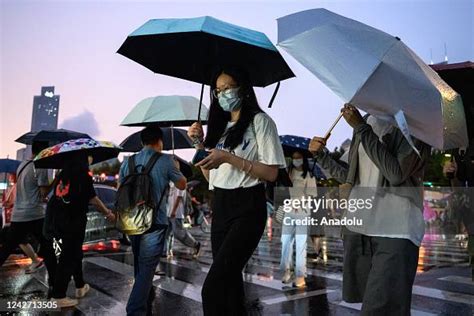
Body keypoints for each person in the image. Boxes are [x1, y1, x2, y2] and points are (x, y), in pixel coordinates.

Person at [309, 103, 431, 315]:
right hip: (361, 228)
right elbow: (349, 175)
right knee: (379, 304)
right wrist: (321, 156)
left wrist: (361, 129)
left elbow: (395, 173)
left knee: (378, 308)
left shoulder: (414, 124)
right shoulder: (368, 120)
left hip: (396, 229)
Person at [188, 67, 286, 315]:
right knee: (230, 285)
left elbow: (272, 172)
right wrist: (199, 144)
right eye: (218, 90)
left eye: (228, 88)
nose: (222, 94)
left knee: (212, 288)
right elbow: (212, 176)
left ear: (243, 89)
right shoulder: (220, 129)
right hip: (220, 205)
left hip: (247, 208)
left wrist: (230, 158)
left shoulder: (260, 122)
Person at [119, 125, 186, 316]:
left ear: (142, 142)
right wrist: (176, 168)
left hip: (132, 220)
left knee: (140, 265)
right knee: (148, 267)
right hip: (155, 221)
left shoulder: (128, 162)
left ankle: (145, 298)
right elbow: (182, 184)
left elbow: (120, 188)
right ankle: (135, 309)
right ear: (160, 141)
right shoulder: (166, 160)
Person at [48, 154, 115, 308]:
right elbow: (93, 199)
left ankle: (80, 286)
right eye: (88, 157)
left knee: (74, 253)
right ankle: (59, 296)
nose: (91, 159)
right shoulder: (82, 175)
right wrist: (108, 213)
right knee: (68, 256)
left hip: (61, 220)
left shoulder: (62, 175)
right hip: (75, 220)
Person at [0, 141, 57, 293]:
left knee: (6, 249)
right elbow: (44, 193)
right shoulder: (40, 165)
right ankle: (55, 286)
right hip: (34, 214)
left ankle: (55, 284)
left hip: (19, 214)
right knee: (48, 248)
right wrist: (55, 181)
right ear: (44, 151)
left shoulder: (22, 165)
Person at [280, 150, 317, 288]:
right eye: (294, 157)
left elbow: (312, 194)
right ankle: (287, 272)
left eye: (299, 158)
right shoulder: (287, 173)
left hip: (303, 212)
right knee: (285, 242)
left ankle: (300, 276)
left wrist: (301, 201)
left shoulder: (310, 174)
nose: (296, 160)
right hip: (289, 210)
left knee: (301, 244)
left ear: (303, 159)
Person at [1, 173, 44, 273]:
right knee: (20, 241)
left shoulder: (19, 187)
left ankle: (36, 259)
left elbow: (19, 201)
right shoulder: (15, 186)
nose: (10, 178)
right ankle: (35, 259)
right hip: (16, 218)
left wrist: (10, 204)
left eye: (12, 176)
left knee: (16, 242)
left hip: (20, 218)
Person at [163, 182, 201, 259]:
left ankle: (195, 244)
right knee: (167, 233)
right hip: (168, 212)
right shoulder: (170, 183)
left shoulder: (179, 182)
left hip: (176, 213)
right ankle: (166, 251)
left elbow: (179, 197)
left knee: (179, 233)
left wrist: (173, 211)